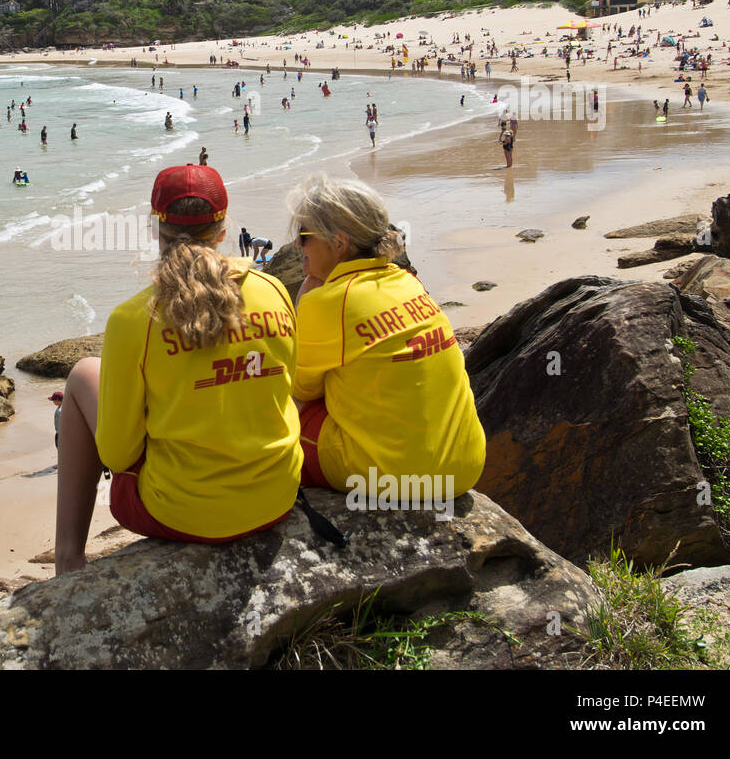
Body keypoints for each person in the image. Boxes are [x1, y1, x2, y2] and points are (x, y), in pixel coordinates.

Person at [53, 164, 302, 574]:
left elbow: (117, 453)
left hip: (179, 514)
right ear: (222, 230)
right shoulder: (273, 290)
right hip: (275, 497)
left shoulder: (135, 318)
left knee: (83, 373)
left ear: (156, 228)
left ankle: (69, 560)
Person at [289, 174, 485, 500]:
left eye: (304, 235)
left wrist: (303, 299)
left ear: (339, 243)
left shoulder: (328, 302)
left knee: (285, 421)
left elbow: (299, 389)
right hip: (465, 467)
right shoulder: (406, 281)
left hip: (400, 479)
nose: (298, 244)